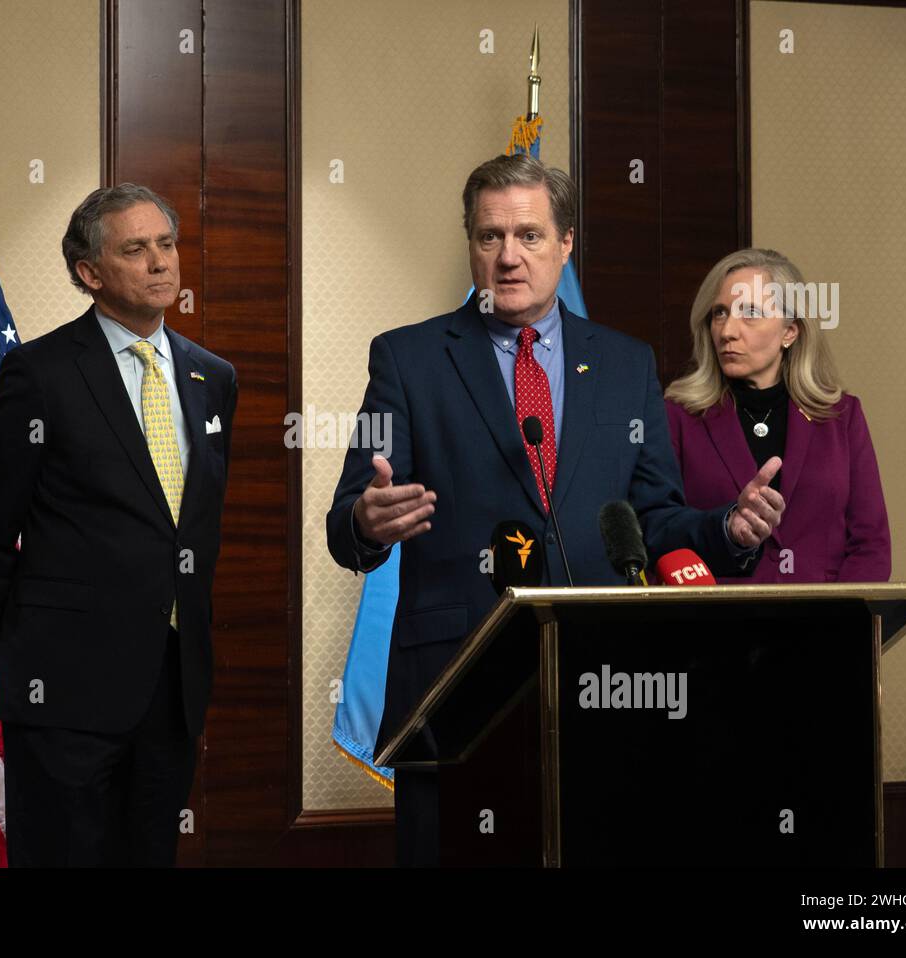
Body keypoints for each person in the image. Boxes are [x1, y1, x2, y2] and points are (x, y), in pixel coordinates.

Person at [326, 154, 786, 866]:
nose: (508, 256)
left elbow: (654, 517)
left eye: (530, 236)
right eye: (489, 237)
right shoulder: (408, 359)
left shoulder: (626, 364)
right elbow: (346, 518)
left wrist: (727, 528)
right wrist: (366, 519)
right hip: (454, 687)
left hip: (600, 681)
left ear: (566, 243)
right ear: (470, 243)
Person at [0, 184, 237, 867]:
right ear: (90, 272)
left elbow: (188, 531)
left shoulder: (213, 376)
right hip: (63, 695)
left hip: (172, 686)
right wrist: (33, 650)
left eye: (166, 245)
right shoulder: (41, 373)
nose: (160, 263)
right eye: (135, 249)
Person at [665, 248, 890, 582]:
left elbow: (870, 546)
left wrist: (838, 624)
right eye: (720, 313)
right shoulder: (678, 417)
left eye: (750, 313)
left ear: (790, 331)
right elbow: (659, 533)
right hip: (714, 626)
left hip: (823, 628)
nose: (727, 331)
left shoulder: (843, 417)